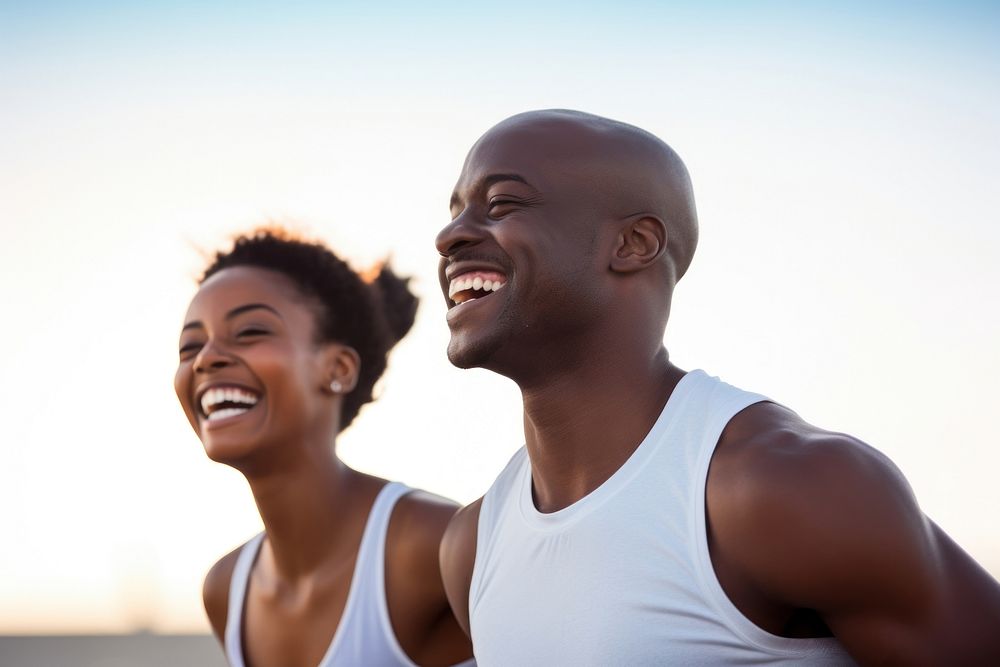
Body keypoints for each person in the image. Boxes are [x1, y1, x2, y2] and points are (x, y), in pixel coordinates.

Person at [436, 110, 1000, 665]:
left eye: (502, 204)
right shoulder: (472, 547)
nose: (449, 235)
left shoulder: (786, 486)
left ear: (633, 243)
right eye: (456, 210)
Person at [174, 228, 473, 666]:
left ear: (338, 368)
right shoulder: (226, 589)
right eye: (190, 345)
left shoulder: (433, 546)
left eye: (250, 331)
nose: (206, 359)